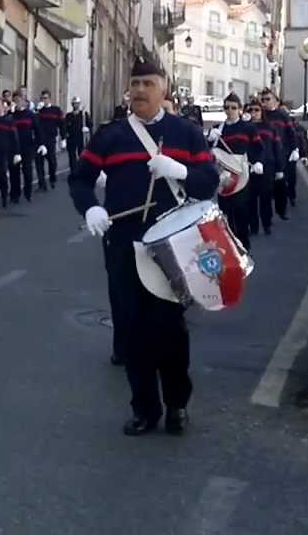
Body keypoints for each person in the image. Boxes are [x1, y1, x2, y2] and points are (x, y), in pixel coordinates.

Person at [70, 57, 218, 436]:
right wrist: (91, 209)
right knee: (132, 329)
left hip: (173, 247)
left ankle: (177, 405)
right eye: (134, 83)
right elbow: (80, 179)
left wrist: (181, 171)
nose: (139, 90)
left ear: (164, 87)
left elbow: (209, 182)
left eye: (147, 83)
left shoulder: (186, 133)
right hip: (123, 245)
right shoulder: (111, 135)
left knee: (170, 330)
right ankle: (144, 408)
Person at [208, 93, 262, 249]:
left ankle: (244, 244)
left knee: (241, 208)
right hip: (223, 174)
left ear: (239, 109)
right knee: (225, 211)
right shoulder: (218, 129)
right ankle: (231, 246)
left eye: (233, 107)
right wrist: (209, 139)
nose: (229, 110)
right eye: (226, 107)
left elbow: (257, 146)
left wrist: (257, 161)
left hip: (240, 172)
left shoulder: (248, 128)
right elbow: (209, 154)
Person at [260, 89, 297, 221]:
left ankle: (282, 210)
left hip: (282, 154)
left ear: (276, 100)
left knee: (281, 185)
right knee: (267, 188)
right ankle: (267, 217)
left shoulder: (282, 115)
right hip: (266, 156)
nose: (264, 102)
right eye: (262, 100)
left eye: (267, 99)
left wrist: (295, 149)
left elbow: (291, 133)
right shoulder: (261, 116)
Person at [247, 100, 282, 237]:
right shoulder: (246, 127)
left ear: (262, 112)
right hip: (249, 167)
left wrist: (279, 168)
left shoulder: (270, 127)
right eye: (251, 110)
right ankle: (253, 226)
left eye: (257, 110)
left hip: (267, 167)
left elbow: (277, 147)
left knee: (265, 198)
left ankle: (267, 224)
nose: (254, 113)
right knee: (250, 199)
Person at [10, 90, 45, 204]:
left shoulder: (30, 115)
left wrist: (40, 144)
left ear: (23, 101)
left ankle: (28, 192)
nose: (17, 102)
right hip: (14, 148)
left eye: (19, 100)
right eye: (15, 100)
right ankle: (15, 194)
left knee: (27, 171)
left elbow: (38, 130)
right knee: (14, 172)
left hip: (28, 146)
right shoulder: (11, 116)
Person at [36, 90, 63, 190]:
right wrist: (36, 110)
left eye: (45, 98)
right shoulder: (39, 111)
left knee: (52, 161)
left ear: (50, 99)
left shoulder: (56, 110)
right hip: (39, 139)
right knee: (39, 162)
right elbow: (34, 123)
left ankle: (52, 178)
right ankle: (42, 184)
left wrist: (63, 137)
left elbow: (61, 123)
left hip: (51, 139)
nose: (44, 100)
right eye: (42, 98)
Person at [63, 99, 88, 170]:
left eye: (77, 103)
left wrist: (86, 128)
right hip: (71, 137)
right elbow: (65, 126)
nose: (75, 105)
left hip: (81, 137)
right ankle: (73, 170)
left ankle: (82, 169)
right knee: (72, 155)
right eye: (74, 103)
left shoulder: (83, 114)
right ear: (72, 104)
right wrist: (65, 136)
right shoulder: (69, 115)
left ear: (79, 104)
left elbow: (90, 124)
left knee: (82, 154)